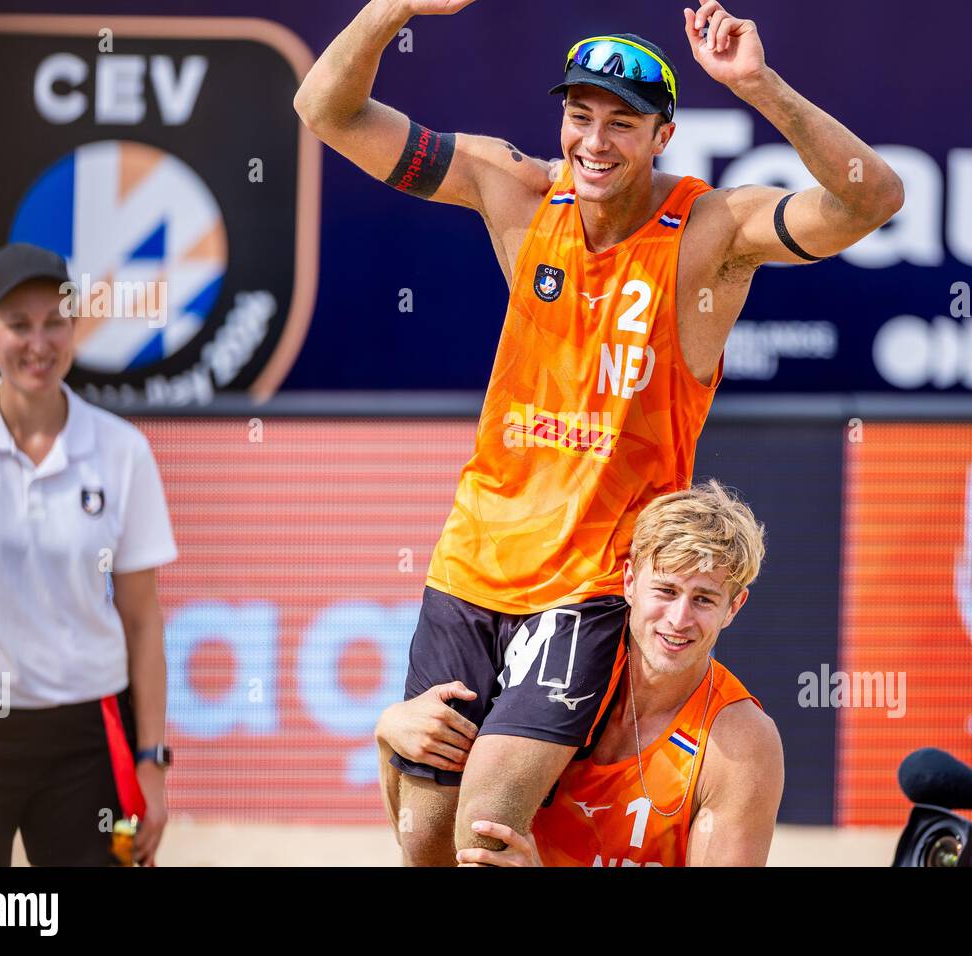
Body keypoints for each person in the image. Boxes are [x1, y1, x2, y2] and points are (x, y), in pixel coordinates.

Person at [295, 0, 900, 865]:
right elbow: (326, 110)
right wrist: (394, 8)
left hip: (592, 582)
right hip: (470, 561)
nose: (596, 141)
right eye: (581, 117)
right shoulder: (517, 188)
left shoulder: (710, 233)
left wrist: (757, 84)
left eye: (623, 123)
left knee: (486, 827)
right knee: (421, 834)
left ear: (664, 136)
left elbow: (872, 197)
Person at [0, 243, 178, 866]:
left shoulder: (121, 450)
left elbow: (142, 619)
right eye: (17, 325)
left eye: (54, 322)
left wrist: (151, 765)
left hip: (88, 737)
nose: (39, 342)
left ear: (76, 326)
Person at [378, 481, 785, 866]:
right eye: (665, 591)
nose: (679, 619)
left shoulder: (739, 742)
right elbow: (422, 845)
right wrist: (388, 734)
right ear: (629, 582)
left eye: (704, 599)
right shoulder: (551, 677)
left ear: (734, 607)